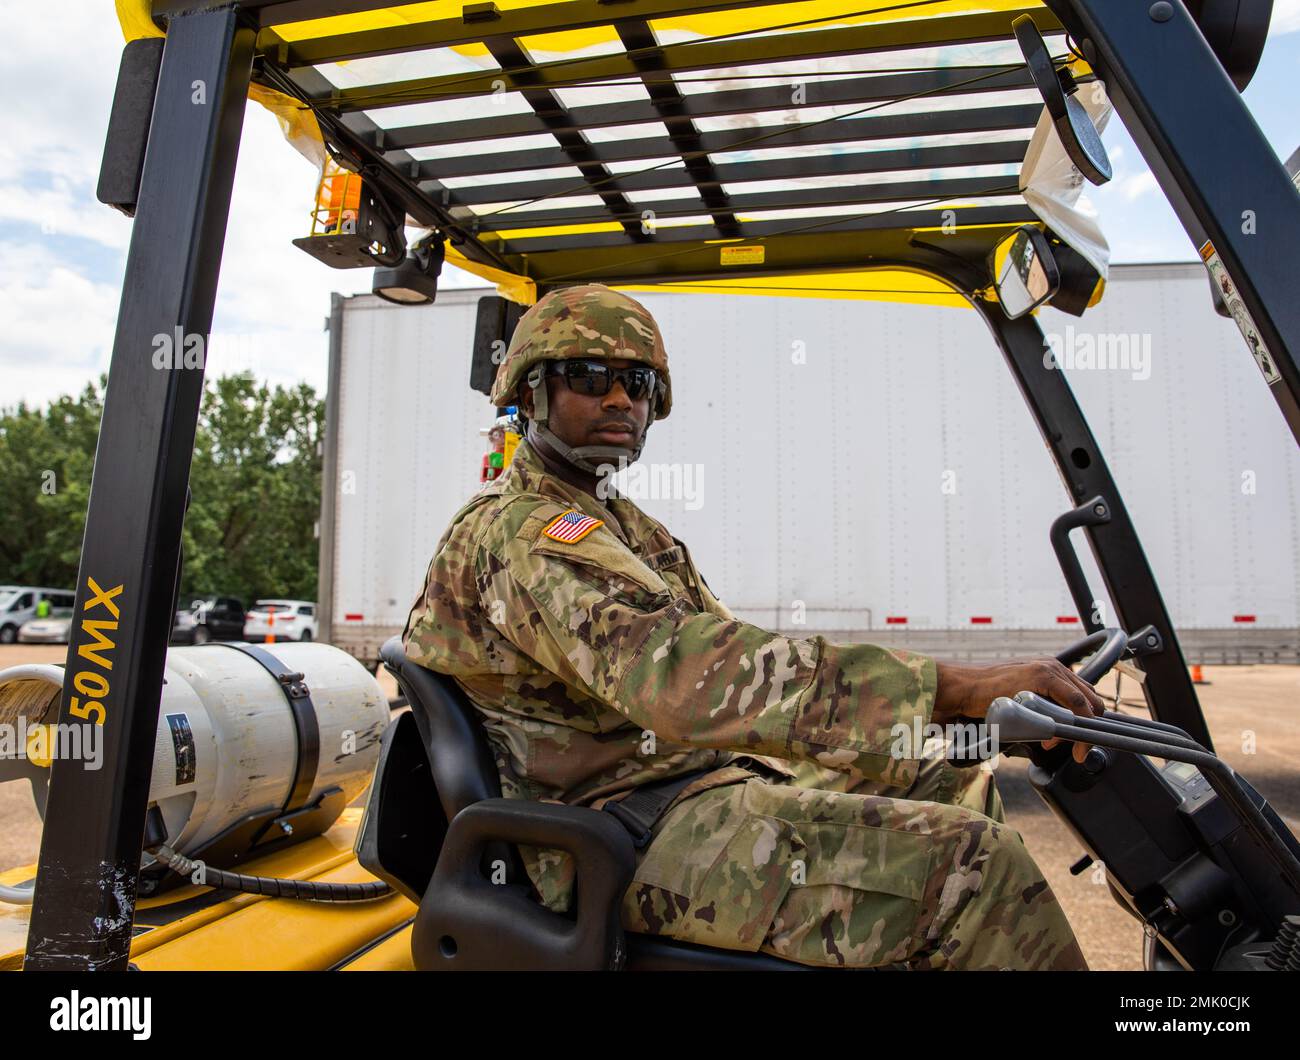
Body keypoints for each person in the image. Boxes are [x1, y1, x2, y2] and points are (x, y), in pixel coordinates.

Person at [403, 284, 1103, 969]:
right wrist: (951, 687)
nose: (620, 399)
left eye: (638, 382)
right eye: (590, 376)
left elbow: (746, 663)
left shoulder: (622, 526)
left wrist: (948, 720)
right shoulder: (526, 532)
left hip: (687, 784)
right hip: (617, 835)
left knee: (953, 780)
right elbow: (690, 680)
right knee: (975, 868)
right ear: (531, 392)